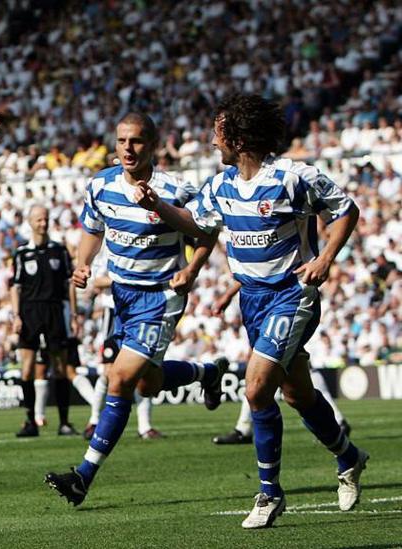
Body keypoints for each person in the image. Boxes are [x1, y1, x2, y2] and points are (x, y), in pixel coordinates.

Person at [134, 93, 368, 528]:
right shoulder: (221, 186)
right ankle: (349, 457)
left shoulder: (294, 177)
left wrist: (324, 259)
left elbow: (345, 210)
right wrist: (158, 207)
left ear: (238, 139)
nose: (210, 140)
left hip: (293, 294)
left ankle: (269, 493)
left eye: (217, 132)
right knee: (297, 393)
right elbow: (198, 225)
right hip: (253, 301)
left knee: (257, 388)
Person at [44, 113, 228, 507]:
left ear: (154, 146)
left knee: (120, 379)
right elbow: (92, 230)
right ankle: (207, 372)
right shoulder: (101, 185)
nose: (129, 148)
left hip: (162, 296)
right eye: (123, 140)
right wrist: (83, 263)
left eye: (138, 141)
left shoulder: (176, 189)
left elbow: (205, 231)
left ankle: (83, 476)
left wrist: (191, 269)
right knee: (147, 383)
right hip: (123, 297)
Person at [209, 281, 352, 445]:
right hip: (271, 301)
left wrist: (228, 294)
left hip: (291, 299)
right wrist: (228, 294)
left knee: (265, 369)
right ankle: (244, 427)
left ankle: (244, 428)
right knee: (267, 368)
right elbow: (252, 270)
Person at [11, 206, 77, 437]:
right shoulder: (21, 253)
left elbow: (69, 285)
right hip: (30, 312)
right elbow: (15, 287)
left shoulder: (59, 251)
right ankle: (30, 421)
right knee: (27, 369)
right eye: (39, 219)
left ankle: (64, 422)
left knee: (60, 367)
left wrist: (74, 315)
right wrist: (16, 315)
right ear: (30, 222)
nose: (43, 223)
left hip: (55, 310)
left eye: (46, 219)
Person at [82, 254, 162, 440]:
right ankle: (94, 420)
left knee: (142, 369)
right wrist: (128, 279)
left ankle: (145, 427)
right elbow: (97, 282)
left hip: (142, 310)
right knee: (108, 372)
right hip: (114, 312)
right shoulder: (109, 249)